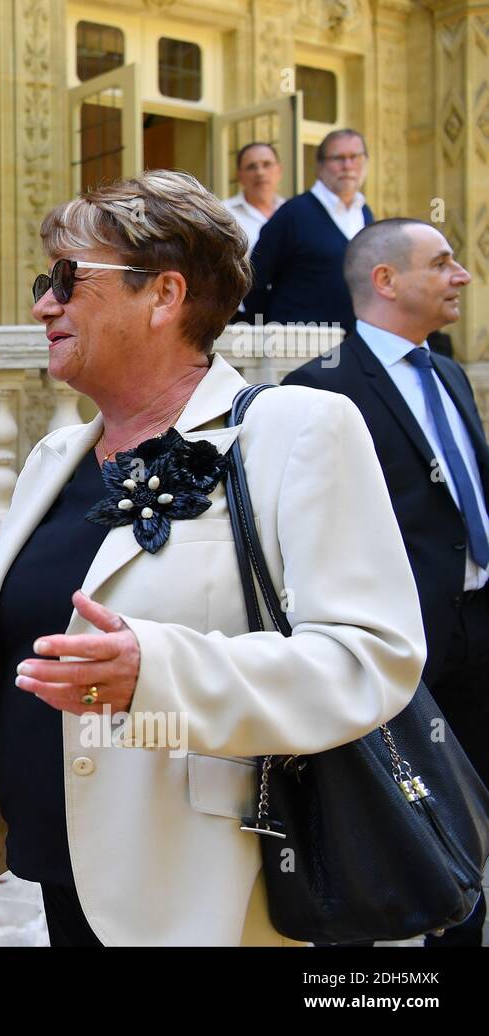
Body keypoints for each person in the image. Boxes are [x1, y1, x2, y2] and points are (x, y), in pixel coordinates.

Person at [0, 170, 426, 946]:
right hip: (66, 872)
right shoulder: (56, 455)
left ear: (165, 295)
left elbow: (372, 658)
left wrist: (156, 672)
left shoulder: (296, 430)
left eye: (68, 280)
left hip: (206, 891)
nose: (44, 304)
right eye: (47, 280)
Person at [284, 218, 487, 946]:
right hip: (394, 645)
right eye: (443, 263)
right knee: (376, 824)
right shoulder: (318, 390)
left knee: (472, 814)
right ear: (386, 280)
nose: (461, 275)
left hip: (478, 633)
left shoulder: (451, 373)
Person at [244, 128, 374, 329]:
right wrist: (273, 327)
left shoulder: (365, 213)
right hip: (299, 348)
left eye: (355, 157)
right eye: (338, 158)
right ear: (320, 166)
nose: (348, 166)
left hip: (353, 344)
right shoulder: (292, 214)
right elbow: (254, 281)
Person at [223, 142, 284, 259]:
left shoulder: (293, 213)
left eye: (267, 164)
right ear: (239, 176)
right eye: (251, 167)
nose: (260, 173)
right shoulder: (223, 214)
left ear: (279, 170)